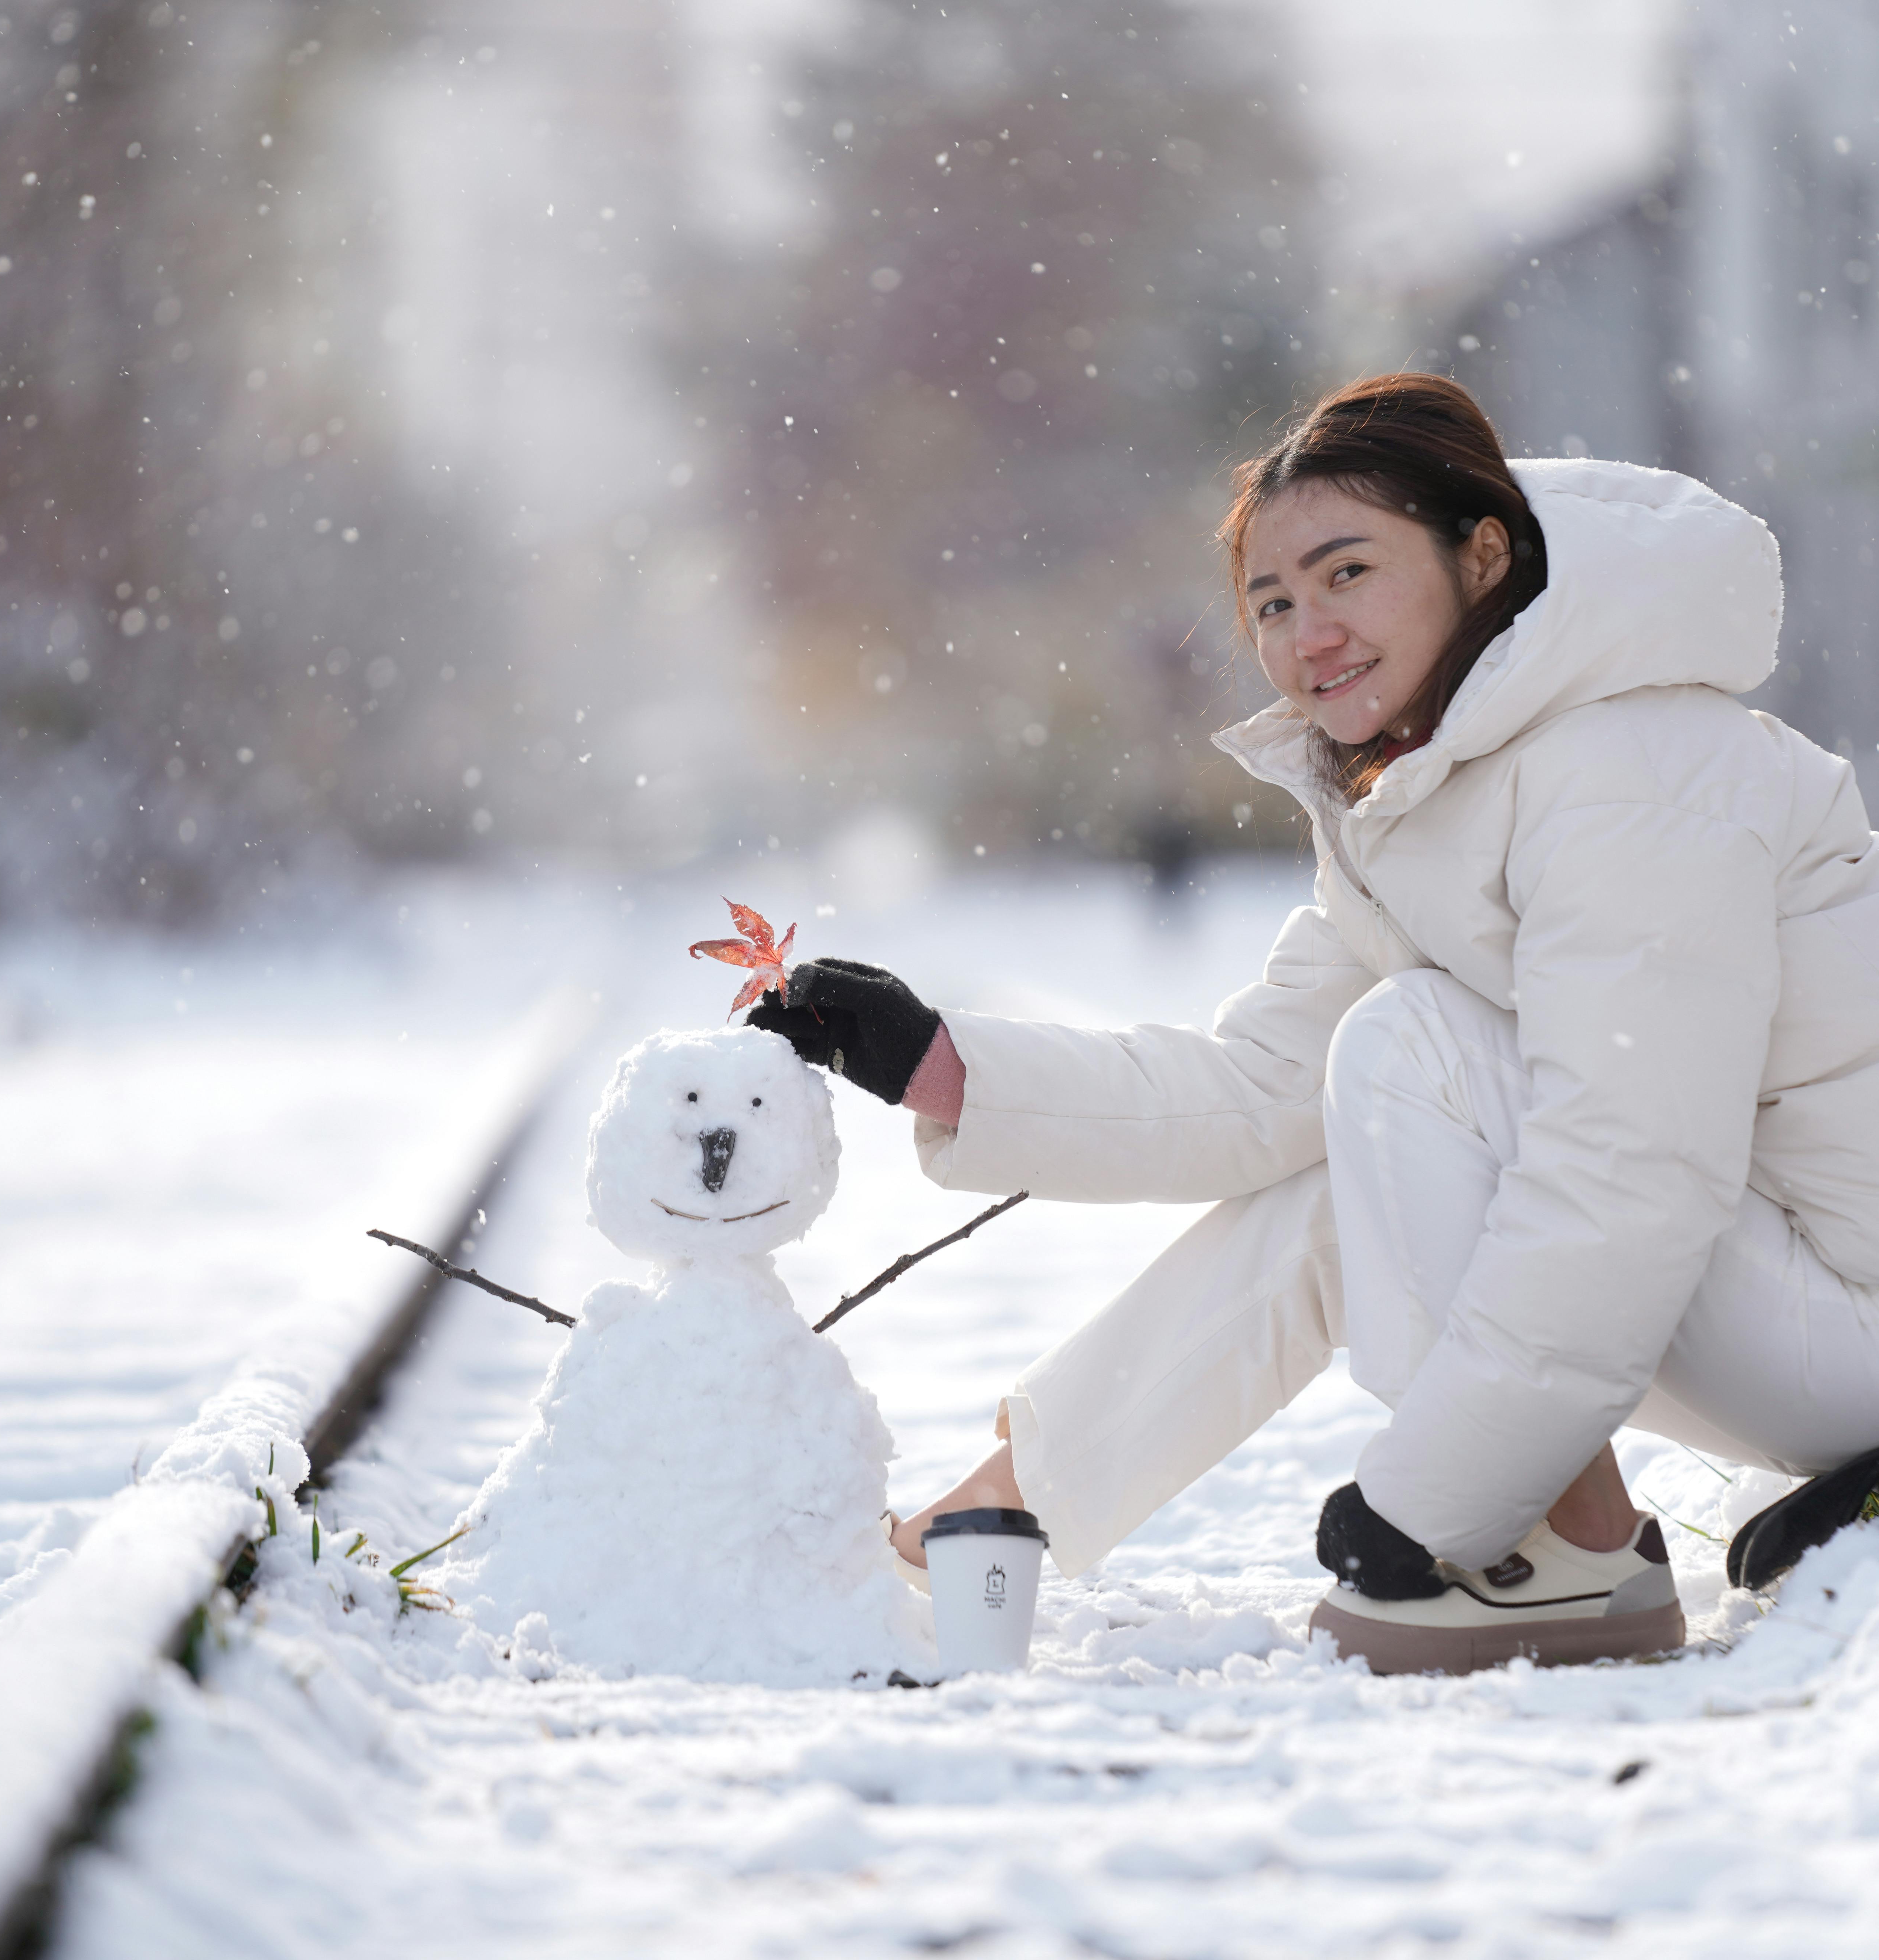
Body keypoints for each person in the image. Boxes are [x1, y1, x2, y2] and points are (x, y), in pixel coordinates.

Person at [750, 373, 1879, 1676]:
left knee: (1415, 1052)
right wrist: (937, 1065)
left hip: (1847, 1308)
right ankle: (1012, 1497)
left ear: (1484, 555)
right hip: (1795, 1310)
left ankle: (1557, 1553)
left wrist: (1431, 1496)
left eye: (1349, 573)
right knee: (1372, 1115)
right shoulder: (1431, 794)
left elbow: (1636, 1172)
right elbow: (1258, 1093)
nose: (1307, 635)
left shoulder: (1632, 772)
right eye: (1272, 604)